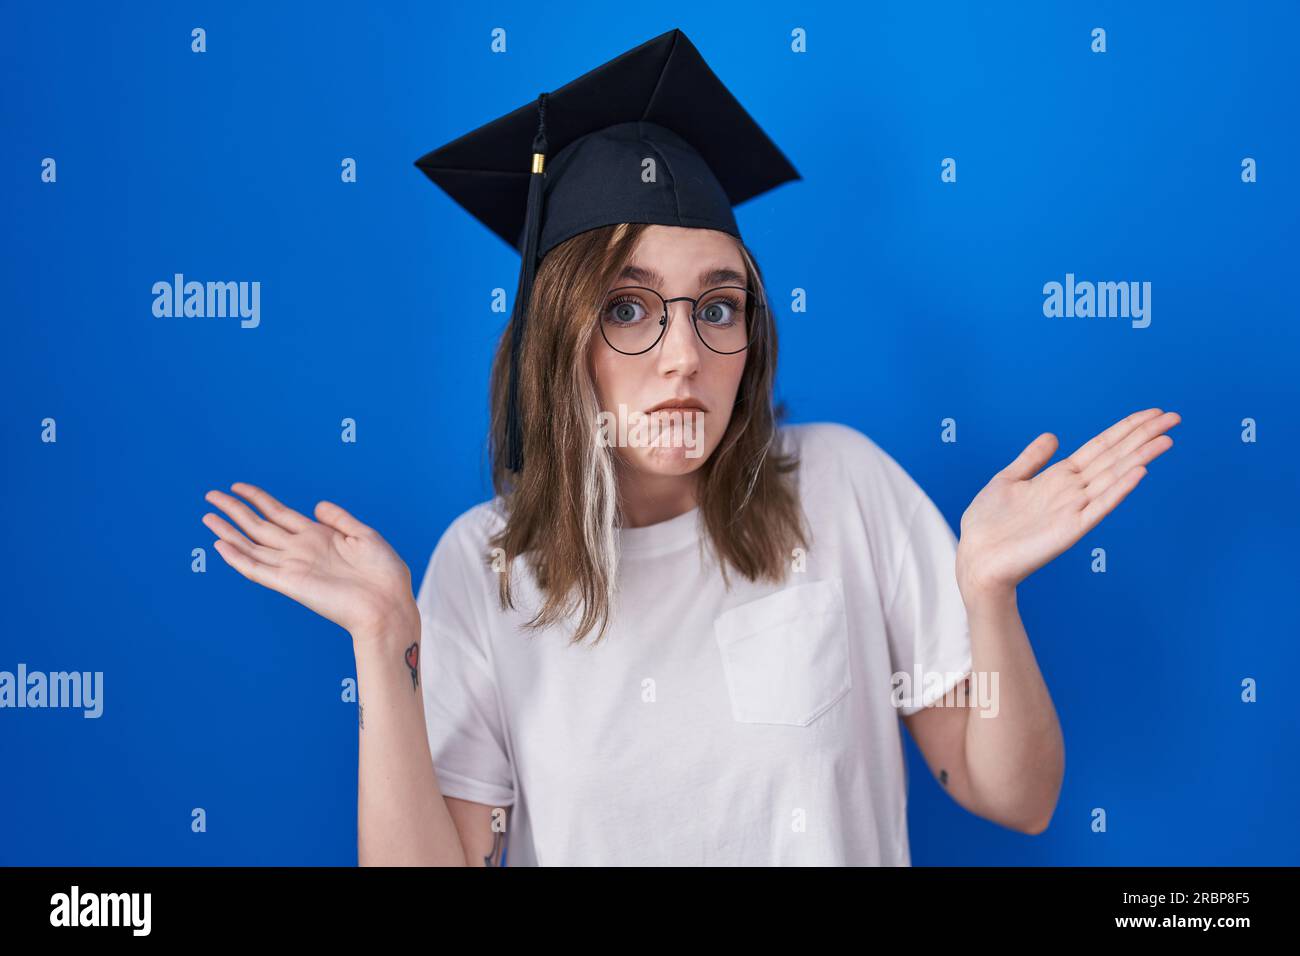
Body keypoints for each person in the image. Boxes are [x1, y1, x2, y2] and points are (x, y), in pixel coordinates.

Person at [199, 29, 1179, 866]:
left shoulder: (844, 486)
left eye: (718, 306)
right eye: (628, 307)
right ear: (560, 334)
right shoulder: (484, 569)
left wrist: (987, 595)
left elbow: (1017, 795)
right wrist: (382, 641)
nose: (684, 355)